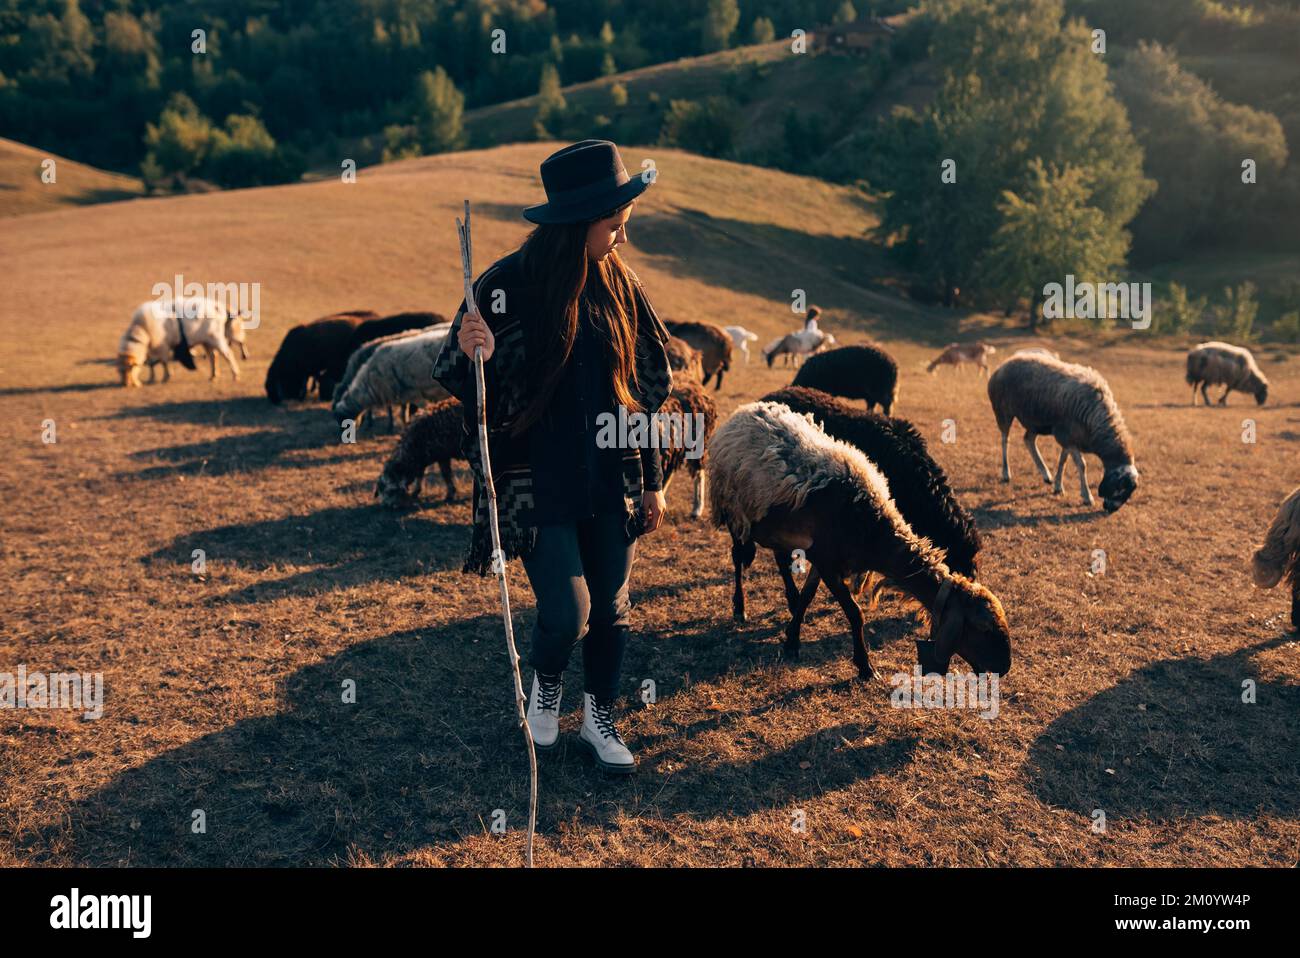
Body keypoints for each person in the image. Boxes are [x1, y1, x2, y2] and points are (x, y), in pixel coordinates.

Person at [432, 140, 673, 774]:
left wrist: (651, 481)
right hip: (533, 483)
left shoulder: (619, 284)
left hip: (609, 474)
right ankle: (546, 687)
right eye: (614, 226)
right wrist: (471, 344)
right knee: (567, 613)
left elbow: (644, 389)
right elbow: (462, 376)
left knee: (613, 610)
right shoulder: (506, 285)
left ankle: (600, 718)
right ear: (577, 223)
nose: (622, 237)